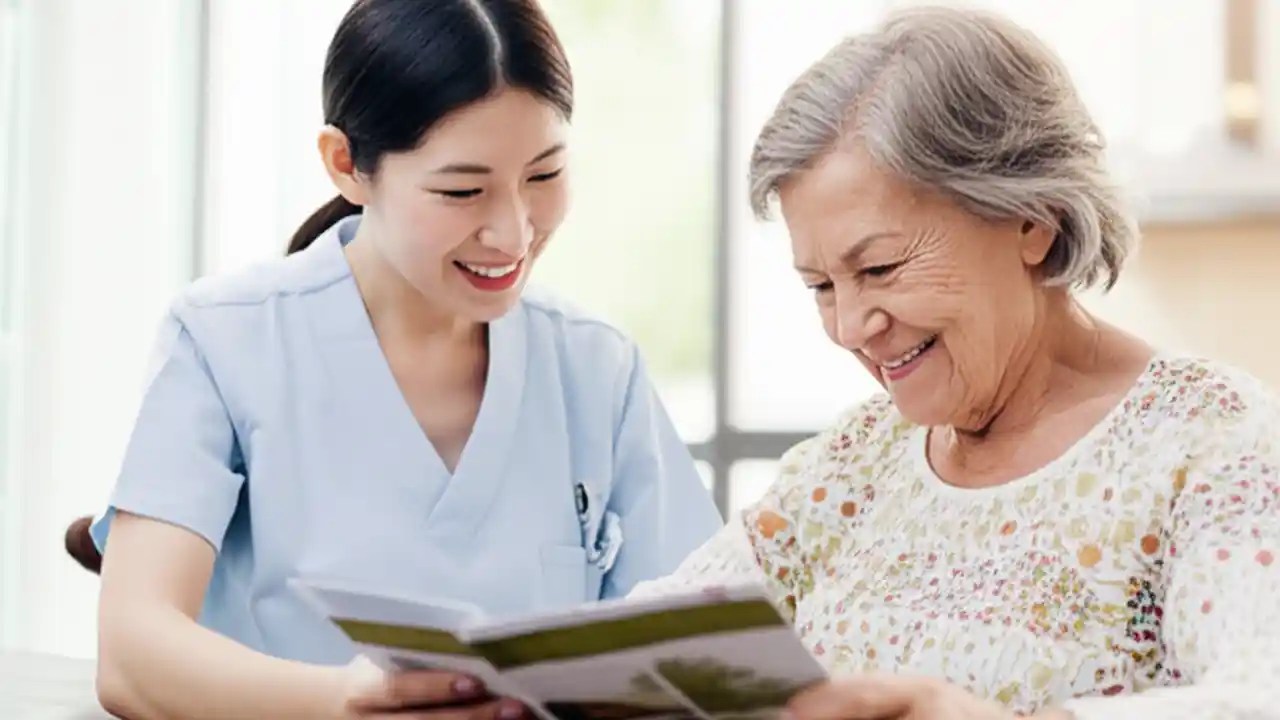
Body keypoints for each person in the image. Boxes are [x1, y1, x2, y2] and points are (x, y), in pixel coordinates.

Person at [631, 6, 1279, 720]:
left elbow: (1258, 695)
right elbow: (647, 645)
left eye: (878, 267)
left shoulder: (1213, 443)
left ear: (1032, 217)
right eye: (820, 286)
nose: (850, 327)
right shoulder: (855, 465)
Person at [91, 1, 722, 718]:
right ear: (347, 166)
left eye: (543, 176)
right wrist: (342, 704)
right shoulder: (225, 339)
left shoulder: (595, 369)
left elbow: (692, 654)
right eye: (462, 190)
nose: (513, 232)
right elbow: (131, 653)